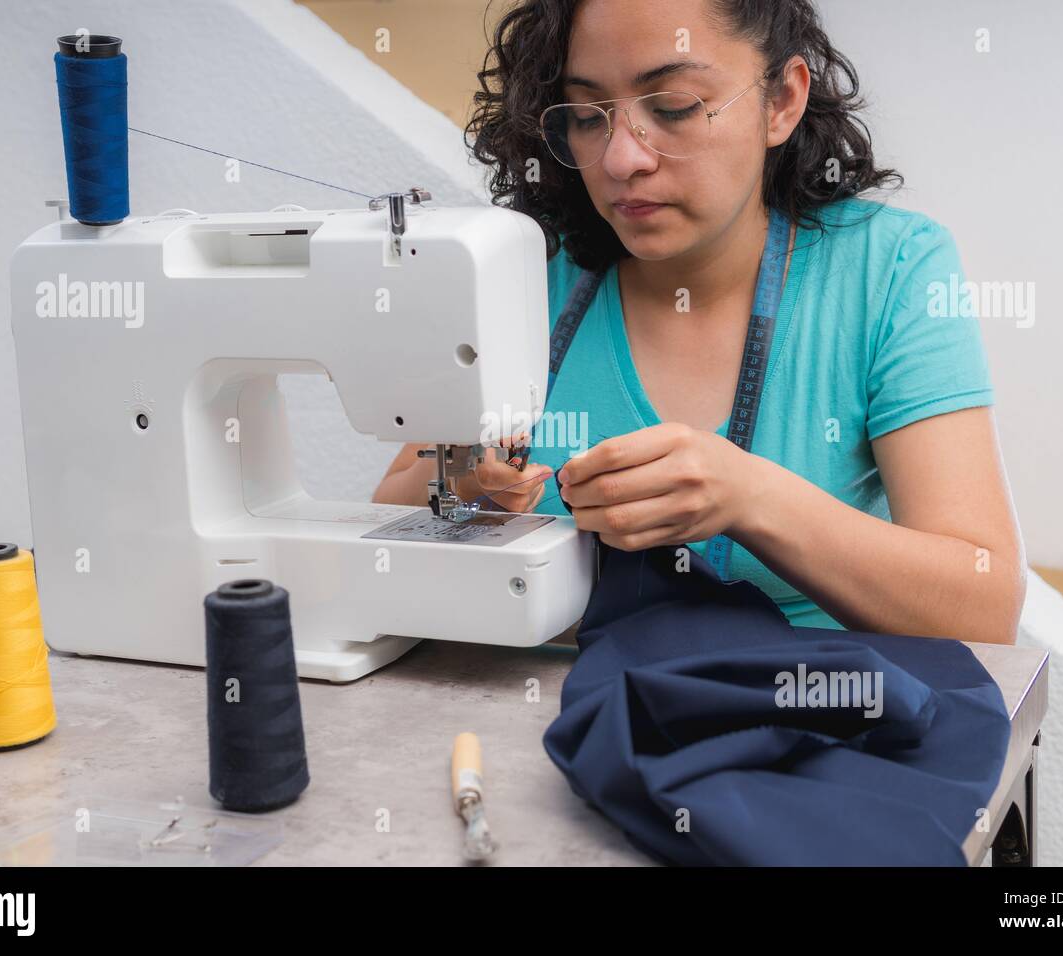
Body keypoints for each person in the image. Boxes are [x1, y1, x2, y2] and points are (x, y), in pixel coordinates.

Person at [375, 0, 1025, 644]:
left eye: (674, 106)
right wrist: (462, 486)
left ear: (781, 101)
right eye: (585, 115)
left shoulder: (890, 271)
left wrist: (746, 497)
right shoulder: (523, 277)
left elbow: (982, 604)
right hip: (549, 722)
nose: (622, 159)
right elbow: (381, 539)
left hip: (805, 723)